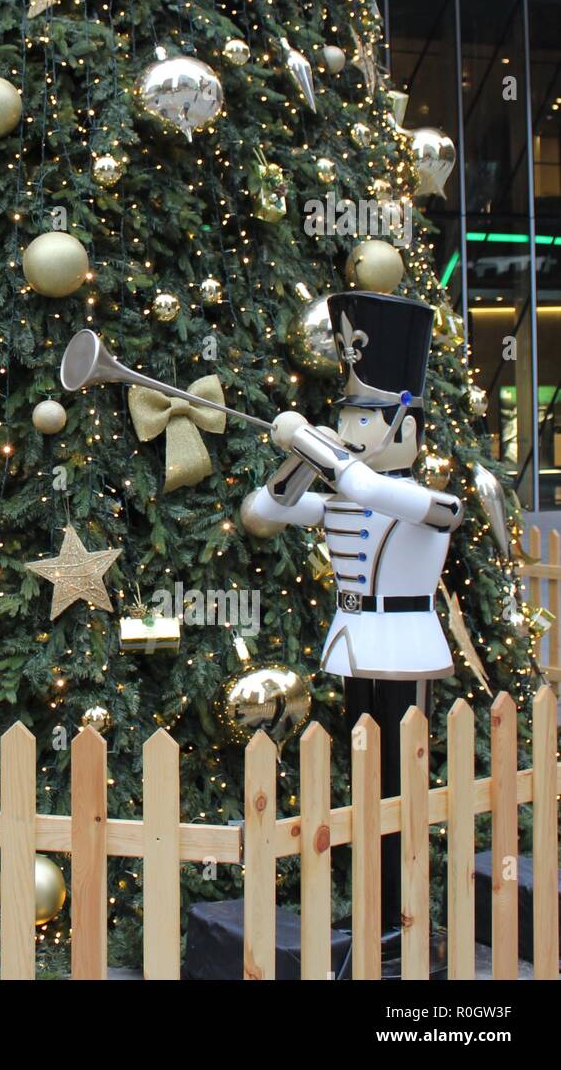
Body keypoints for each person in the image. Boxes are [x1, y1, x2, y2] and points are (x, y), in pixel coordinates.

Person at [242, 291, 463, 959]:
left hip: (405, 645)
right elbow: (262, 509)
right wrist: (298, 455)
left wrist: (316, 444)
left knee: (402, 783)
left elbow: (368, 490)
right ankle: (371, 906)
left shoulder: (429, 500)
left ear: (408, 426)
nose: (351, 430)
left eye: (364, 420)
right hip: (353, 646)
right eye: (346, 418)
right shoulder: (345, 490)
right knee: (364, 780)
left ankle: (404, 915)